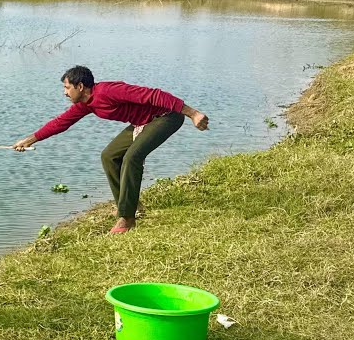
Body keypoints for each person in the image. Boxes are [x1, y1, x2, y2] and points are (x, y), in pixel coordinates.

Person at [12, 66, 210, 234]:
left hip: (167, 116)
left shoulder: (108, 91)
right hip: (143, 122)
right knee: (109, 156)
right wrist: (29, 140)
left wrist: (193, 114)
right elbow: (61, 123)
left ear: (80, 87)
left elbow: (154, 95)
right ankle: (131, 206)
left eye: (67, 88)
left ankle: (127, 218)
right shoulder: (85, 104)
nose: (64, 92)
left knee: (132, 157)